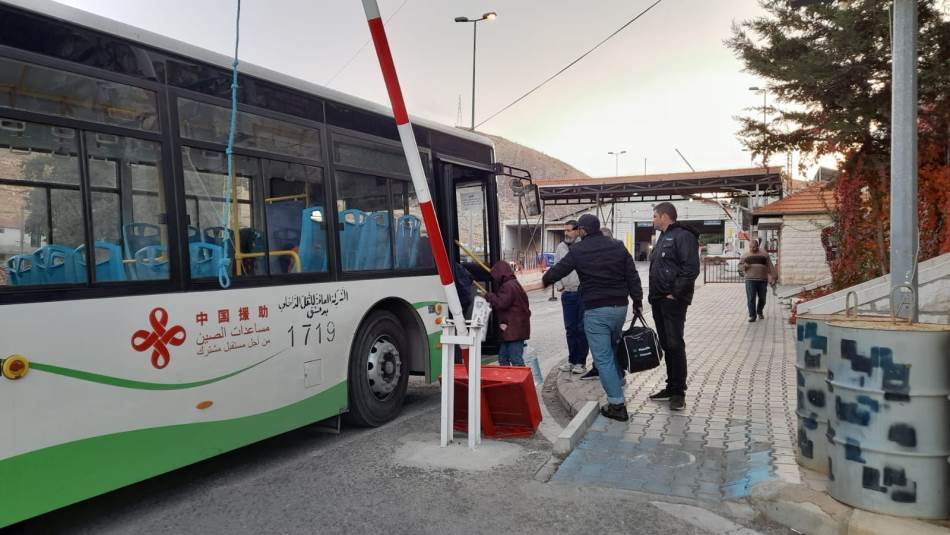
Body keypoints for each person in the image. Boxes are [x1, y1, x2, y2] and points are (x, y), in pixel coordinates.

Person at [543, 214, 643, 422]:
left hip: (596, 309)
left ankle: (617, 405)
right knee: (612, 346)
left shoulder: (579, 250)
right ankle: (619, 379)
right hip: (620, 307)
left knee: (603, 357)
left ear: (583, 230)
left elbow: (560, 269)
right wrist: (638, 302)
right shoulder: (617, 246)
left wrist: (545, 280)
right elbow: (632, 274)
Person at [647, 202, 700, 412]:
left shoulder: (682, 236)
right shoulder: (663, 237)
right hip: (659, 299)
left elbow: (691, 269)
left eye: (654, 216)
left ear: (664, 216)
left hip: (672, 301)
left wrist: (674, 293)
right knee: (667, 344)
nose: (652, 220)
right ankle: (670, 387)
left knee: (675, 344)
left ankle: (679, 392)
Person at [554, 220, 589, 375]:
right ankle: (571, 360)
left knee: (582, 329)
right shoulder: (561, 247)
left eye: (569, 230)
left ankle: (581, 362)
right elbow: (555, 268)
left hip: (583, 294)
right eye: (565, 231)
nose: (566, 233)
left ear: (577, 231)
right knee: (570, 329)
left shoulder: (585, 246)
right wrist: (559, 286)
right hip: (567, 293)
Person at [485, 260, 531, 366]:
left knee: (515, 360)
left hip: (514, 331)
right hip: (511, 330)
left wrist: (489, 296)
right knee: (503, 358)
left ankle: (520, 382)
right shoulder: (513, 283)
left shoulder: (508, 286)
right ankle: (510, 380)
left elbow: (501, 303)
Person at [739, 239, 775, 322]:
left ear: (757, 246)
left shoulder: (764, 255)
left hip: (762, 280)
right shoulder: (745, 256)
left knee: (763, 298)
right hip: (750, 280)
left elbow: (770, 266)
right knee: (751, 298)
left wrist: (773, 277)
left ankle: (759, 311)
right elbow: (739, 267)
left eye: (754, 247)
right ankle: (752, 316)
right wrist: (744, 266)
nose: (752, 249)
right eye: (750, 247)